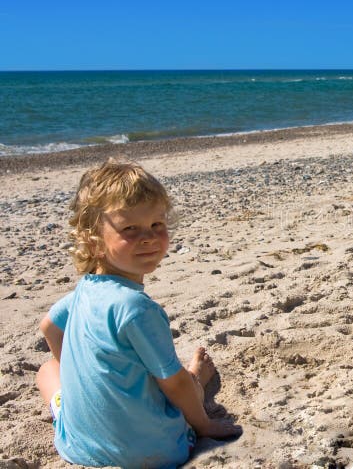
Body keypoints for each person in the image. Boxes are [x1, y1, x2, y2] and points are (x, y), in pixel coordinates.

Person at [36, 159, 242, 468]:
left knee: (46, 371)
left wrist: (83, 379)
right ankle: (198, 375)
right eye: (130, 228)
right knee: (181, 380)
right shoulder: (138, 309)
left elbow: (49, 327)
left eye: (156, 225)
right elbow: (173, 385)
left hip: (78, 449)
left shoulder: (83, 291)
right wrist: (206, 427)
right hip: (158, 452)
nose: (147, 237)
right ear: (94, 242)